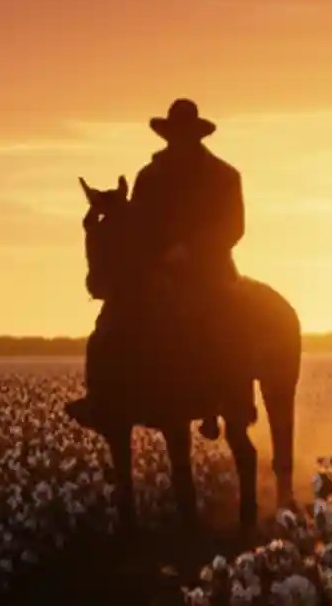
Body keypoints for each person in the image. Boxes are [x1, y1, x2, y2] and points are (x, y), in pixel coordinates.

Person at [128, 98, 244, 438]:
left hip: (210, 268)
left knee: (223, 321)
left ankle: (226, 395)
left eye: (185, 135)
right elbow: (138, 224)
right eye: (175, 135)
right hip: (158, 269)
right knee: (121, 319)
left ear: (196, 136)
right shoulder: (148, 176)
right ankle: (120, 394)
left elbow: (233, 226)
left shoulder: (224, 175)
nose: (179, 142)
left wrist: (190, 250)